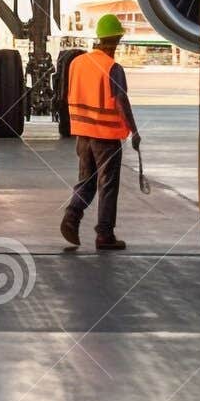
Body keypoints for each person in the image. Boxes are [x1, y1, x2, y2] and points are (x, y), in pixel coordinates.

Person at [59, 13, 141, 251]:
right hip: (106, 137)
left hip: (82, 134)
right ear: (115, 40)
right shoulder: (112, 67)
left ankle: (72, 216)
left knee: (87, 180)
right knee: (107, 185)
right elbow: (120, 101)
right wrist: (134, 131)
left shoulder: (77, 63)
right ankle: (104, 235)